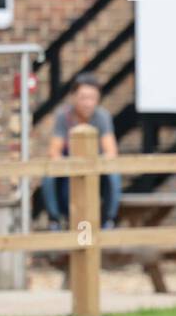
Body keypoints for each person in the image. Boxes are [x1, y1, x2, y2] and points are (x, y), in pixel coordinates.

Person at [42, 73, 121, 230]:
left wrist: (92, 164)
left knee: (113, 172)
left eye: (92, 98)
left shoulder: (102, 117)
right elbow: (54, 152)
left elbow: (111, 152)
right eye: (83, 97)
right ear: (73, 97)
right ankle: (54, 220)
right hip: (69, 172)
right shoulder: (63, 116)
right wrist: (72, 165)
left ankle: (108, 220)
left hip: (96, 170)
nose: (87, 103)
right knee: (49, 174)